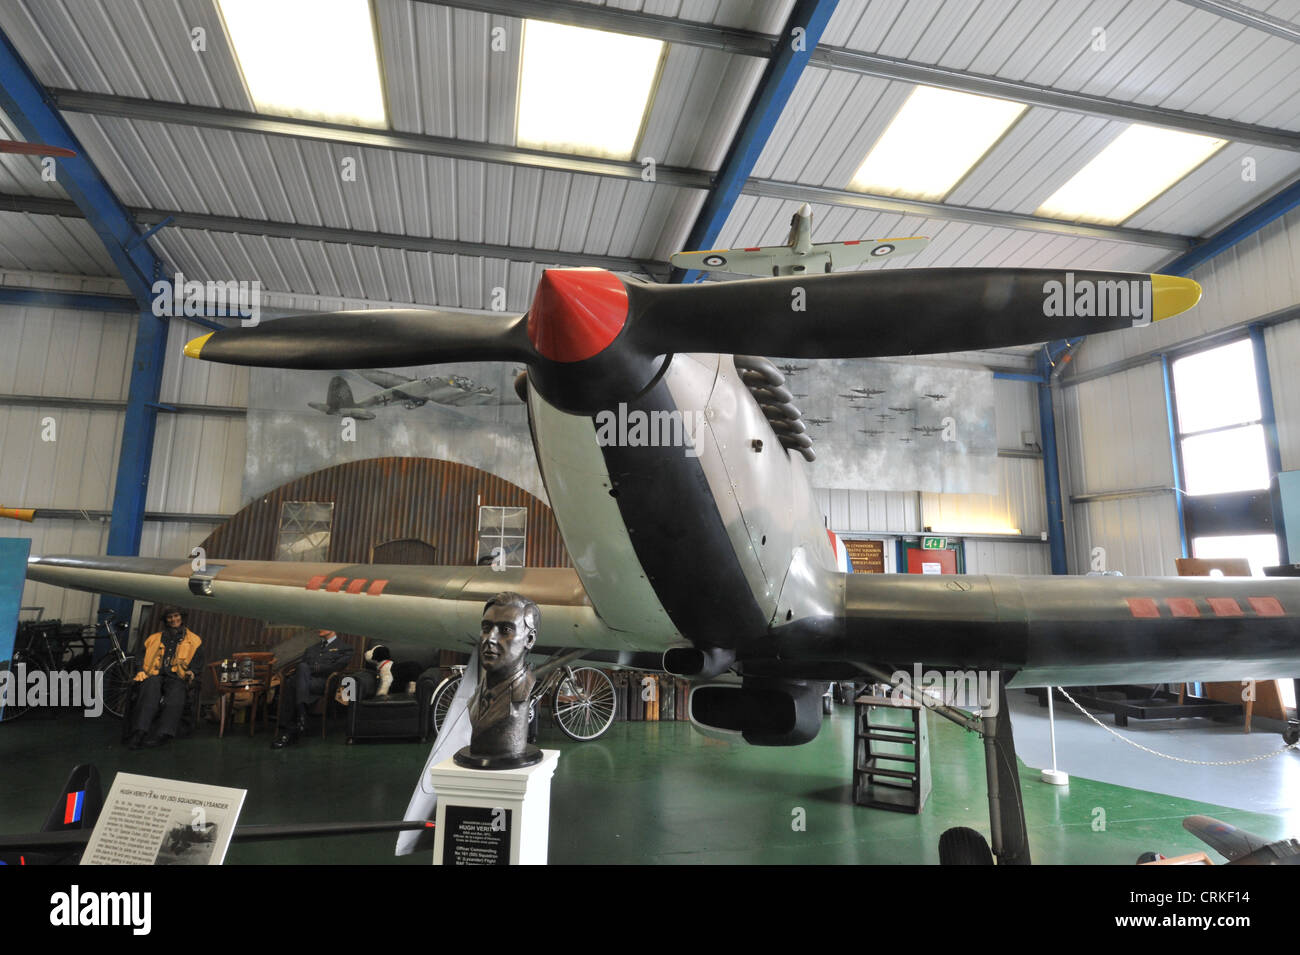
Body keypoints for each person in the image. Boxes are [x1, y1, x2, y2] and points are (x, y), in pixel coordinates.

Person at [455, 592, 540, 768]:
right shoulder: (478, 693)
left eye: (505, 630)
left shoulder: (521, 694)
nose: (490, 639)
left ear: (529, 639)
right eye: (486, 628)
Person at [128, 607, 202, 749]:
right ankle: (139, 732)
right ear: (165, 620)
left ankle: (164, 734)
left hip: (177, 676)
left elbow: (198, 663)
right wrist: (140, 670)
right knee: (149, 691)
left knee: (175, 695)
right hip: (155, 674)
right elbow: (140, 657)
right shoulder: (153, 638)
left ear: (182, 617)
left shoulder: (195, 640)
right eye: (170, 617)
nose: (174, 619)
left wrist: (191, 672)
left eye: (176, 616)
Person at [271, 629, 353, 748]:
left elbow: (337, 667)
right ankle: (298, 721)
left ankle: (291, 726)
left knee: (295, 678)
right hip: (304, 684)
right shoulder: (311, 649)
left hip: (323, 683)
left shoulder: (345, 648)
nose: (318, 629)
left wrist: (313, 668)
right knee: (295, 680)